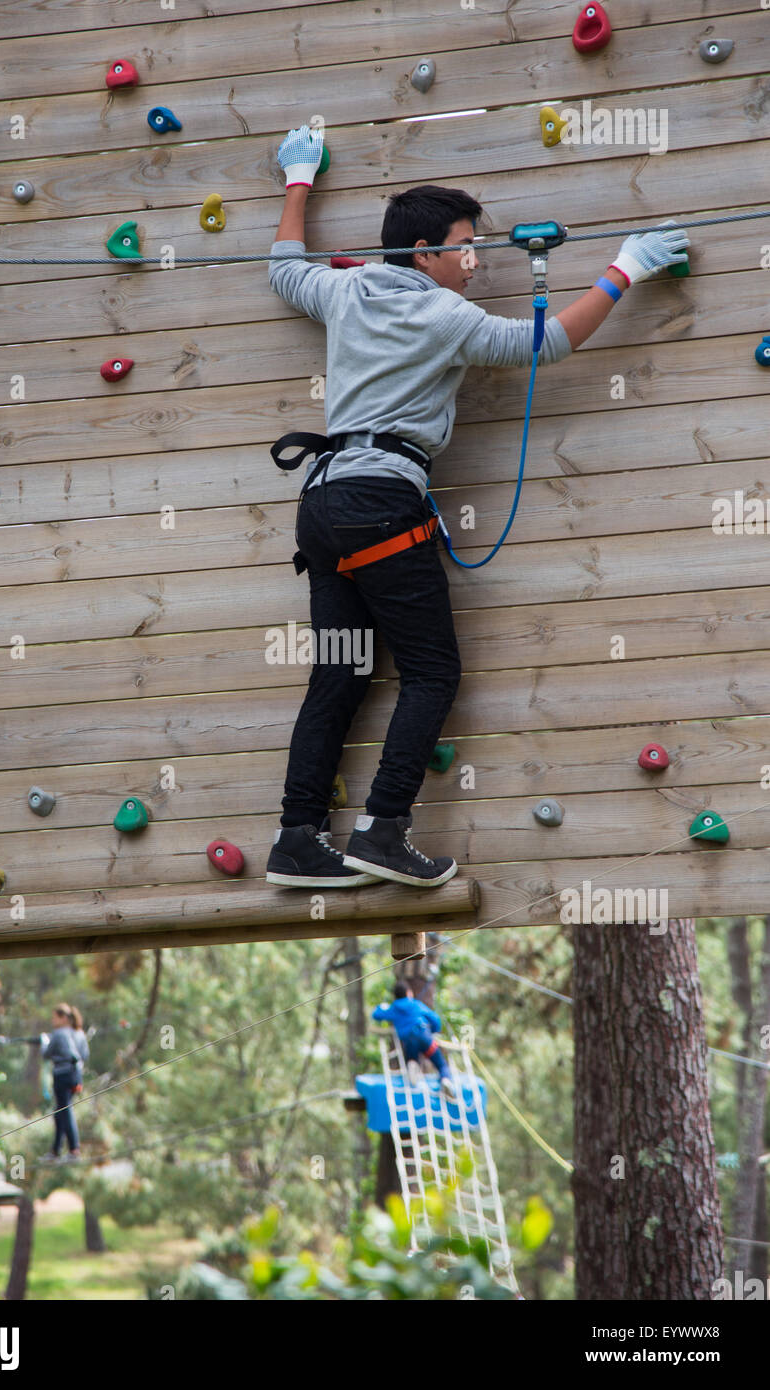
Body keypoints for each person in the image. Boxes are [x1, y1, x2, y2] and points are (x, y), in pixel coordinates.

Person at [264, 125, 689, 890]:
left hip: (323, 504)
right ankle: (382, 830)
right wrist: (626, 268)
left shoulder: (347, 288)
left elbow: (282, 266)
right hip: (381, 503)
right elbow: (548, 342)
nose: (477, 258)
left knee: (341, 675)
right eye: (465, 245)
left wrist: (299, 176)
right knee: (432, 671)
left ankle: (296, 839)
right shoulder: (443, 315)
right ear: (423, 253)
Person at [373, 981, 456, 1097]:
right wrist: (433, 1030)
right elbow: (435, 1019)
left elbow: (376, 1015)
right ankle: (445, 1079)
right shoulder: (416, 1004)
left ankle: (412, 1066)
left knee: (412, 1057)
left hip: (409, 1041)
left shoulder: (394, 1009)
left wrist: (381, 1007)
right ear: (408, 993)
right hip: (424, 1035)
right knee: (441, 1064)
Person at [41, 1004, 89, 1160]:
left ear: (63, 1018)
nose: (52, 1020)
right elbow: (85, 1055)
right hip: (76, 1076)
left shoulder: (59, 1034)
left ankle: (74, 1149)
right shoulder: (80, 1034)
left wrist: (44, 1041)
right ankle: (56, 1150)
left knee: (65, 1111)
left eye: (55, 1017)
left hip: (62, 1075)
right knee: (61, 1111)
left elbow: (47, 1054)